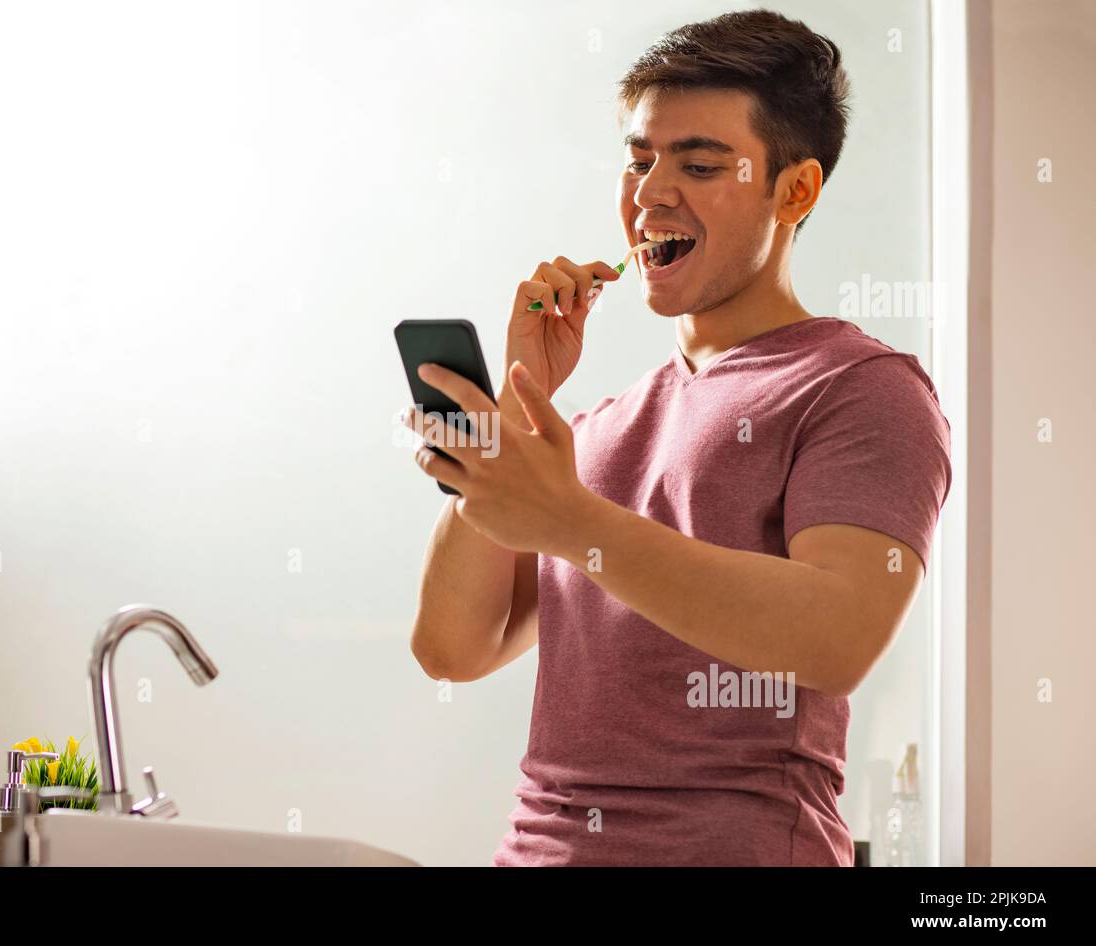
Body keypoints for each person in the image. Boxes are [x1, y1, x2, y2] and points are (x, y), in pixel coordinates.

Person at [401, 9, 952, 866]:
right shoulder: (590, 432)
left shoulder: (860, 389)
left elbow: (837, 637)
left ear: (795, 191)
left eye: (698, 163)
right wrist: (516, 414)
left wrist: (570, 521)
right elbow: (451, 648)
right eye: (639, 159)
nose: (651, 192)